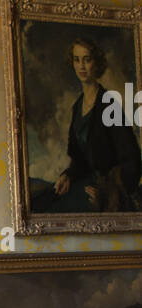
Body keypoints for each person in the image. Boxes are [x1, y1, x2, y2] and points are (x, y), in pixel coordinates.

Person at [32, 38, 141, 214]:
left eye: (87, 59)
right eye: (77, 59)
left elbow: (133, 159)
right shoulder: (78, 106)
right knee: (41, 202)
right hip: (84, 182)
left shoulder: (108, 105)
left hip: (105, 189)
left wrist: (109, 193)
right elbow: (80, 159)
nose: (81, 66)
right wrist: (68, 175)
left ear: (96, 63)